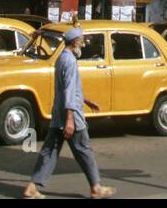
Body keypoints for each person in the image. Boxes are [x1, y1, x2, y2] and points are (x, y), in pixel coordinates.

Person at [23, 27, 114, 199]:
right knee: (84, 150)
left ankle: (32, 187)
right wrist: (70, 119)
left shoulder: (62, 58)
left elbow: (69, 88)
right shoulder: (70, 61)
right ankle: (96, 187)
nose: (83, 43)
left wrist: (86, 100)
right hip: (70, 116)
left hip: (59, 113)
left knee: (49, 152)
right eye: (81, 40)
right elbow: (69, 90)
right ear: (75, 42)